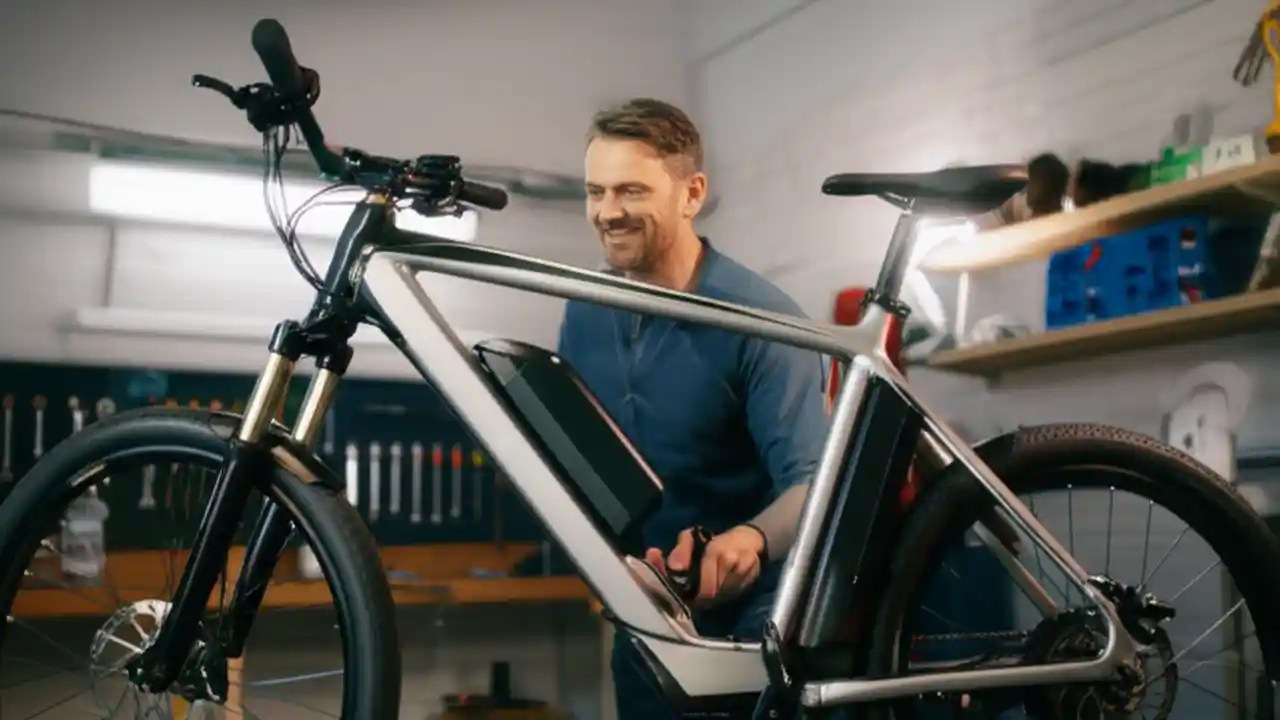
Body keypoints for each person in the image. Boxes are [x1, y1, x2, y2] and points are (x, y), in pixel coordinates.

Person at [555, 97, 830, 718]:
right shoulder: (582, 310)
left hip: (760, 608)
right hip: (649, 608)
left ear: (691, 192)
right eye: (596, 192)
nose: (608, 212)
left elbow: (813, 482)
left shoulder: (760, 319)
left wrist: (752, 538)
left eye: (631, 191)